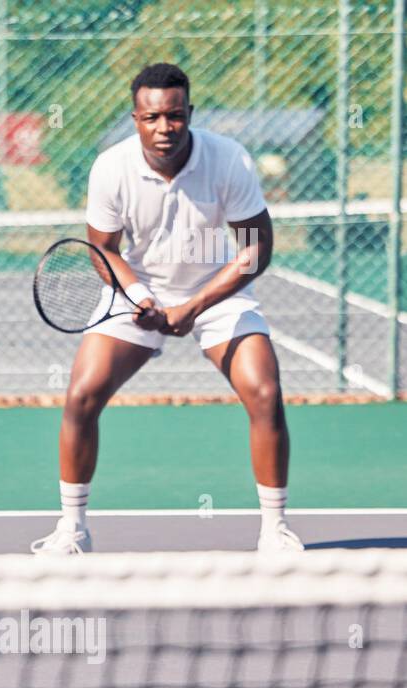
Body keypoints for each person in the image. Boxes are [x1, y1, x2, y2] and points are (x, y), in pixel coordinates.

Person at [32, 64, 304, 555]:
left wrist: (196, 306)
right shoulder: (110, 168)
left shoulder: (230, 161)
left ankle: (274, 530)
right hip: (138, 289)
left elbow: (256, 248)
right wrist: (140, 299)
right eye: (152, 117)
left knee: (264, 391)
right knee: (81, 394)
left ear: (189, 114)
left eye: (175, 116)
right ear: (136, 118)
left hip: (217, 291)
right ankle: (72, 529)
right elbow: (105, 252)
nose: (164, 128)